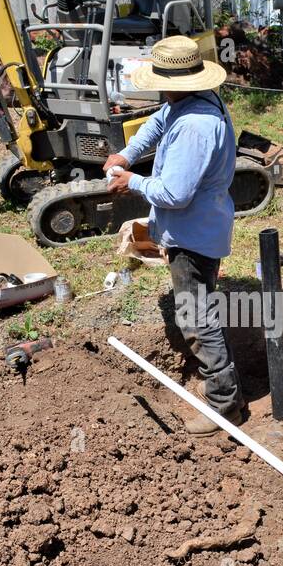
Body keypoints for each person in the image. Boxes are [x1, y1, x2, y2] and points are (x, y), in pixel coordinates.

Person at [103, 35, 244, 435]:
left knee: (198, 320)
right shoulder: (190, 102)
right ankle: (220, 387)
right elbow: (157, 121)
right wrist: (126, 155)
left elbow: (174, 194)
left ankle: (224, 405)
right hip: (196, 227)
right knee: (199, 310)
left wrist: (132, 182)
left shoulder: (196, 127)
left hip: (193, 235)